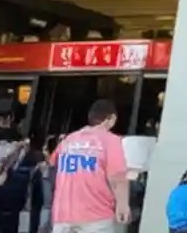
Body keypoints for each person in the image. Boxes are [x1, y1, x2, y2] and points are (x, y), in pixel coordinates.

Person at [49, 99, 130, 233]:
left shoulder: (68, 140)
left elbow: (53, 166)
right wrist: (122, 206)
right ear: (112, 119)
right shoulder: (111, 140)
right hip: (96, 216)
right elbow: (117, 178)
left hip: (63, 215)